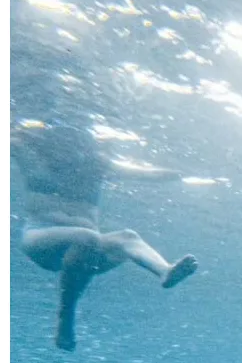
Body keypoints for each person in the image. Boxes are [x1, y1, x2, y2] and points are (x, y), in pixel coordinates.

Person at [12, 120, 198, 351]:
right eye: (66, 143)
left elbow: (145, 174)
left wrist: (184, 172)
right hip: (41, 239)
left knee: (126, 237)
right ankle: (66, 315)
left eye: (78, 145)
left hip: (86, 252)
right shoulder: (32, 156)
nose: (72, 151)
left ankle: (164, 271)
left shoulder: (98, 165)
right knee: (88, 237)